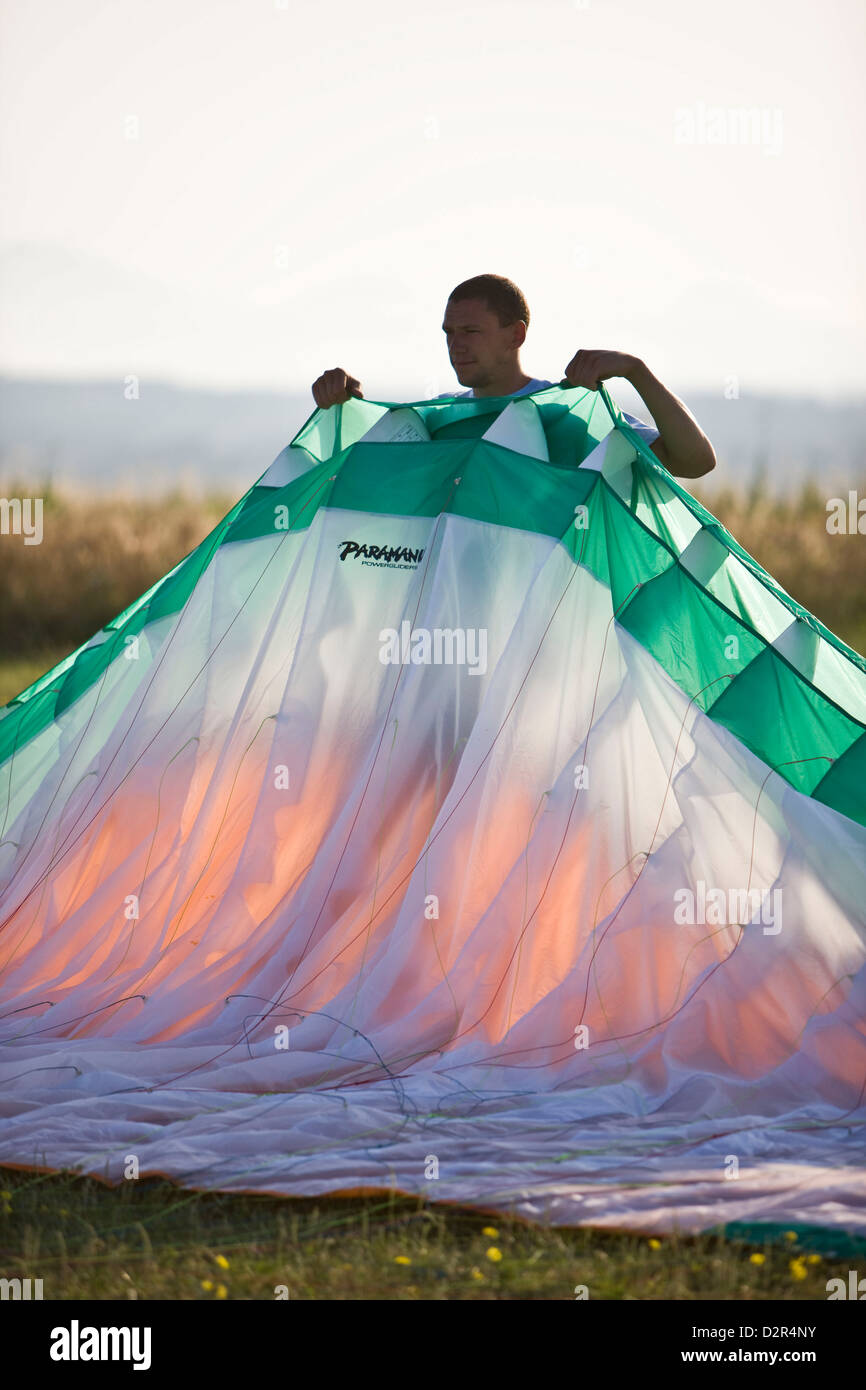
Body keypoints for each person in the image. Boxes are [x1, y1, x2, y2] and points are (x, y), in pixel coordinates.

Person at [311, 273, 716, 479]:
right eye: (449, 333)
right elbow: (357, 490)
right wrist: (343, 408)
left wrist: (635, 370)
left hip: (541, 635)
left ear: (516, 335)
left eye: (471, 332)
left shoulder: (565, 417)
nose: (457, 345)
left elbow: (695, 461)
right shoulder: (436, 422)